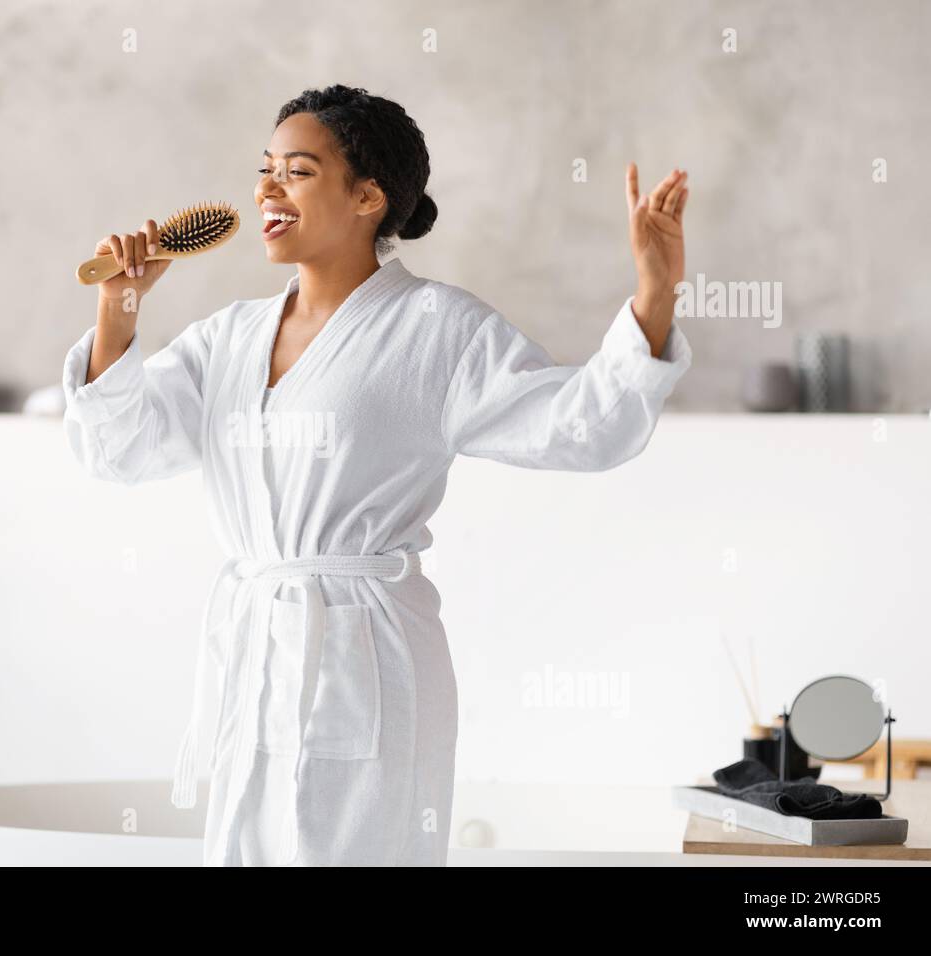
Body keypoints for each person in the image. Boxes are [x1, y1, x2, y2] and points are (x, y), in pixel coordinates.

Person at [62, 84, 692, 866]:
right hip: (256, 651)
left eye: (296, 171)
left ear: (368, 196)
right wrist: (118, 311)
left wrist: (655, 293)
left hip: (369, 656)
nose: (266, 189)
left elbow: (586, 428)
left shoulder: (438, 330)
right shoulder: (227, 337)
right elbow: (116, 451)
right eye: (264, 170)